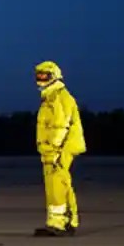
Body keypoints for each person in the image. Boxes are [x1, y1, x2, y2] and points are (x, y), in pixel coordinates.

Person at [34, 60, 86, 236]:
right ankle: (56, 222)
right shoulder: (50, 96)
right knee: (54, 184)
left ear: (54, 76)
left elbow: (60, 125)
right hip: (51, 149)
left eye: (44, 75)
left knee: (59, 183)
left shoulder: (59, 97)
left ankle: (64, 223)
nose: (40, 79)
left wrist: (55, 150)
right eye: (38, 75)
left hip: (60, 148)